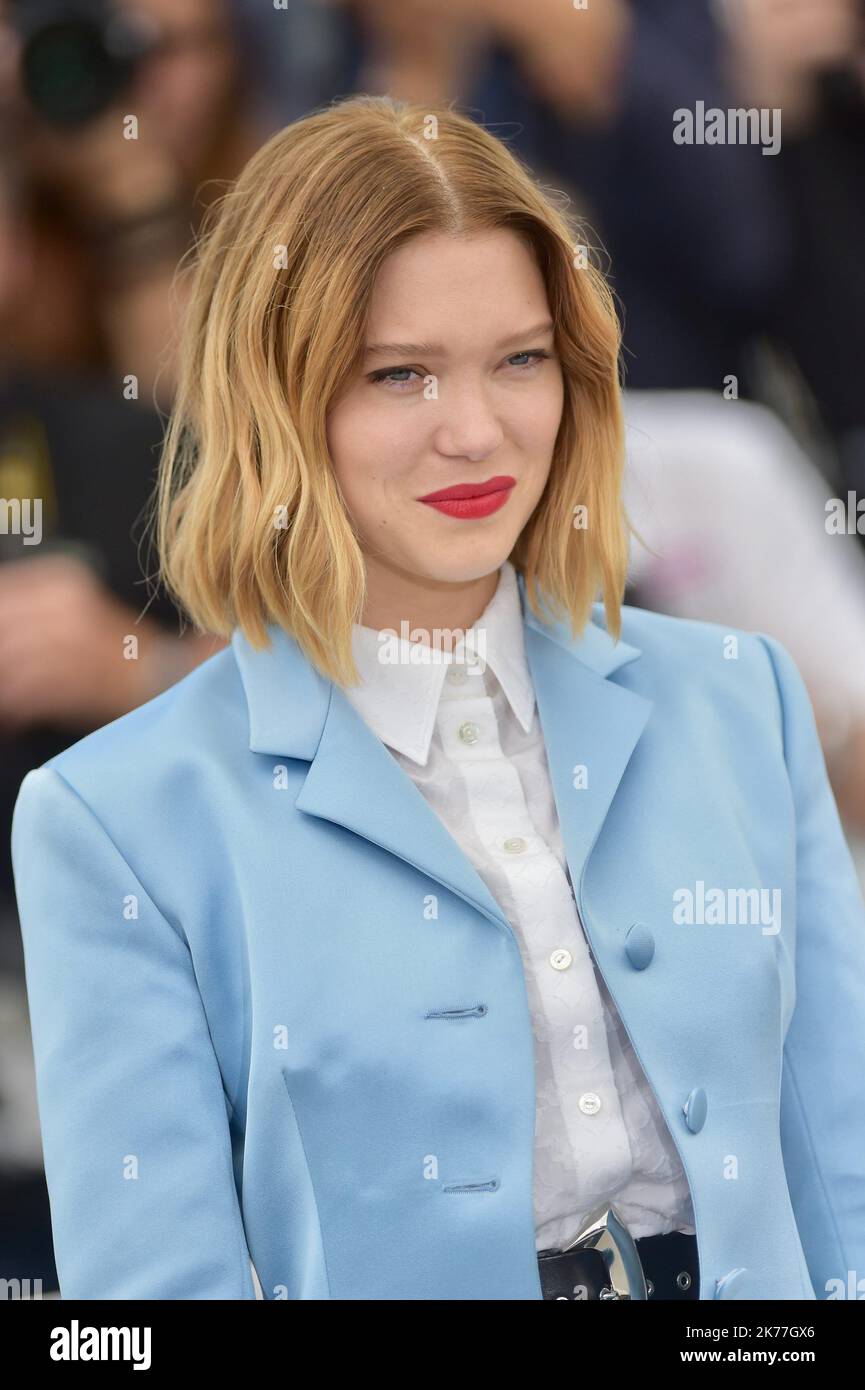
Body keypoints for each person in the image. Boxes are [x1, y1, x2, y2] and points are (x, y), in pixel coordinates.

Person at [10, 94, 865, 1301]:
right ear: (279, 398)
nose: (476, 431)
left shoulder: (742, 700)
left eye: (519, 359)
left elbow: (844, 1171)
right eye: (400, 374)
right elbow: (149, 1298)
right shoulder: (115, 818)